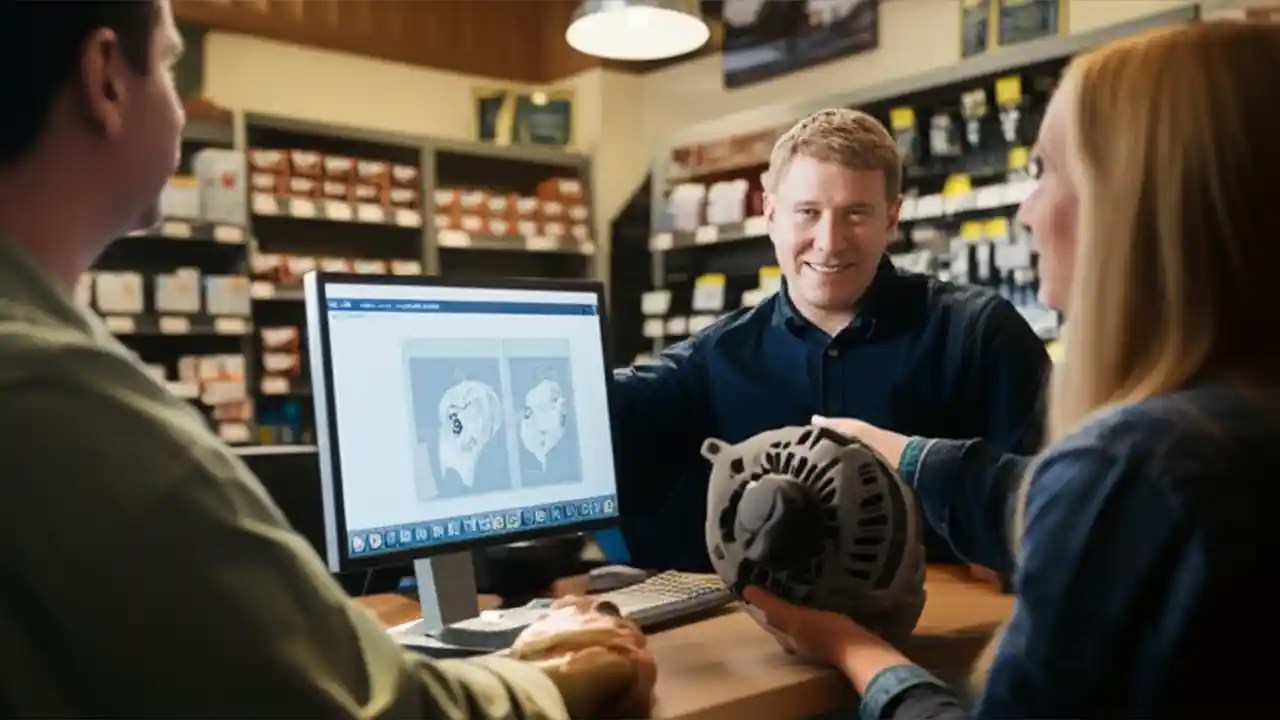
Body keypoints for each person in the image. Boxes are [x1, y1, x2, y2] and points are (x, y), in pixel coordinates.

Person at [0, 2, 653, 718]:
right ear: (106, 80)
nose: (182, 109)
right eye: (167, 63)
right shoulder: (60, 394)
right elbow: (353, 707)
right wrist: (549, 675)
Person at [744, 19, 1280, 719]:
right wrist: (911, 459)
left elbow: (1109, 498)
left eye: (1047, 171)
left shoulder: (1134, 466)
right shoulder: (1234, 430)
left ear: (1138, 203)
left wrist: (851, 649)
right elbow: (1059, 503)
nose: (1028, 211)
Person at [607, 107, 1051, 572]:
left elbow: (1055, 511)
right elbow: (603, 421)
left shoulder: (980, 338)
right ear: (771, 213)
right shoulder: (714, 361)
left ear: (892, 218)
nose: (829, 241)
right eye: (808, 213)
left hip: (948, 635)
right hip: (765, 636)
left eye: (855, 214)